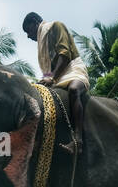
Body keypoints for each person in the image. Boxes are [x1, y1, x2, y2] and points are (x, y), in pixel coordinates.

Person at [22, 13, 90, 144]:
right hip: (57, 77)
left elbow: (65, 55)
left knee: (74, 90)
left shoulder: (56, 26)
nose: (28, 35)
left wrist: (52, 78)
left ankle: (78, 139)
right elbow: (48, 70)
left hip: (73, 70)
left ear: (36, 22)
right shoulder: (42, 44)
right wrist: (45, 80)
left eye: (28, 30)